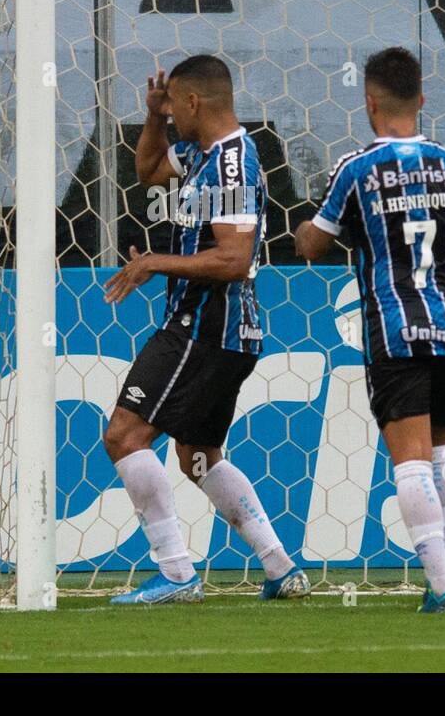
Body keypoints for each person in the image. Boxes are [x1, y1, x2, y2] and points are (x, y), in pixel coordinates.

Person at [294, 47, 445, 613]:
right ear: (420, 99)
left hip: (395, 328)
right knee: (440, 453)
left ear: (369, 103)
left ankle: (443, 589)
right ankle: (441, 577)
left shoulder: (357, 169)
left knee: (410, 460)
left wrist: (304, 228)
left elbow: (314, 248)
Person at [103, 55, 310, 604]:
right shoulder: (199, 153)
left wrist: (153, 263)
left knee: (124, 435)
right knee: (197, 456)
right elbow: (147, 171)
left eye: (172, 104)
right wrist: (153, 118)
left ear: (194, 102)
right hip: (222, 331)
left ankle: (175, 574)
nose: (169, 112)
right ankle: (280, 566)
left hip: (204, 324)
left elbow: (235, 259)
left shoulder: (233, 164)